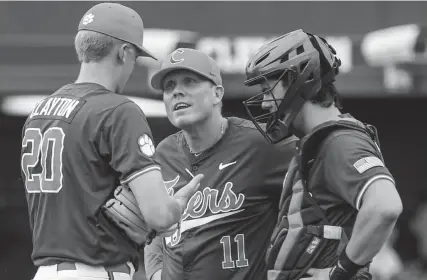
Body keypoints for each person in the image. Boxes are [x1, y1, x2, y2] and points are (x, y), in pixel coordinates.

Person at [20, 3, 202, 280]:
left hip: (45, 272)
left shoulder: (39, 112)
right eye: (135, 57)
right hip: (96, 270)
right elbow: (159, 217)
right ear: (124, 52)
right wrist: (176, 205)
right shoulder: (117, 110)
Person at [242, 29, 403, 280]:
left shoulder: (339, 141)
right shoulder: (317, 142)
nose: (264, 102)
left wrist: (340, 273)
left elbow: (385, 206)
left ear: (300, 80)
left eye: (269, 89)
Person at [143, 48, 297, 280]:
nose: (177, 92)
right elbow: (153, 230)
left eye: (189, 82)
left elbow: (327, 177)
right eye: (169, 86)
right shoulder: (163, 153)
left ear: (217, 94)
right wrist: (155, 272)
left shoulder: (262, 144)